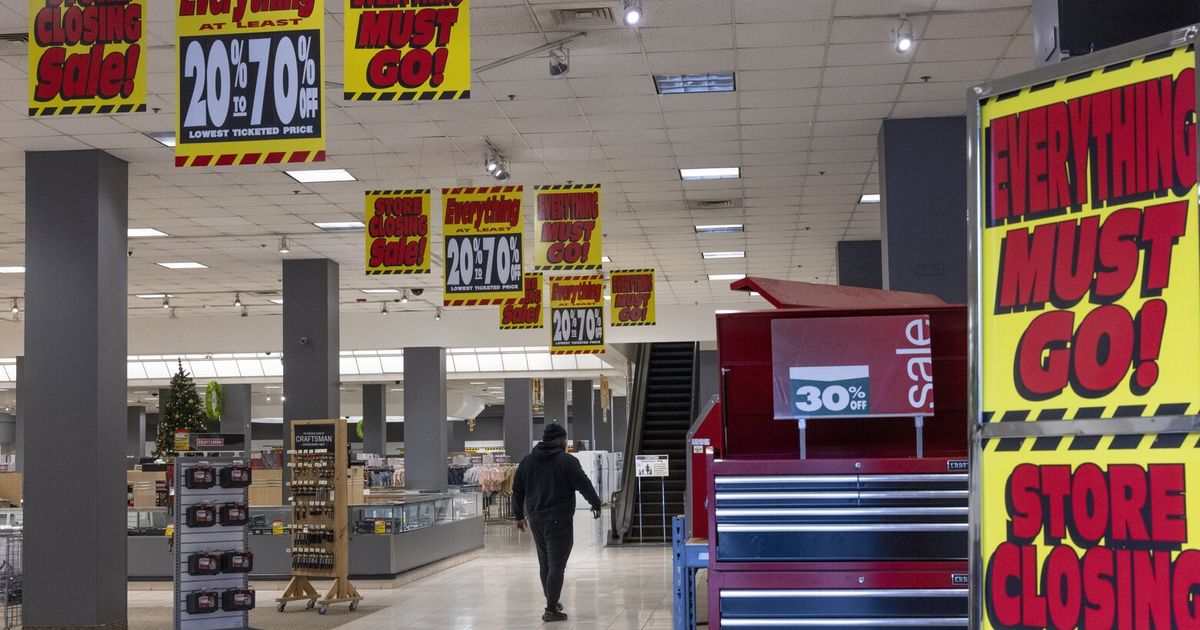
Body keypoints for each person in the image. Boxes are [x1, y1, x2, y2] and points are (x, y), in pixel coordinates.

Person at [512, 423, 602, 623]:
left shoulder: (527, 462)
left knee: (545, 564)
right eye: (565, 438)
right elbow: (584, 484)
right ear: (560, 439)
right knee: (557, 566)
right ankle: (551, 608)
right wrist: (595, 503)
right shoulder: (566, 461)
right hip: (558, 520)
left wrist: (518, 516)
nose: (566, 442)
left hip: (536, 520)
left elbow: (517, 490)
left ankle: (551, 601)